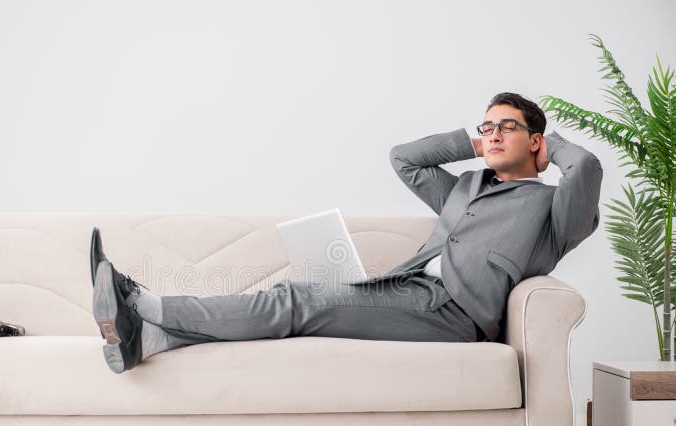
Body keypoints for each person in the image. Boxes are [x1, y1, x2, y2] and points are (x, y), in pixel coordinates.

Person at [91, 92, 603, 374]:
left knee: (294, 300)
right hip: (408, 291)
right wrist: (477, 144)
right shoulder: (464, 187)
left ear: (533, 139)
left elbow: (585, 169)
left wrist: (550, 144)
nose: (492, 133)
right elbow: (403, 159)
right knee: (289, 298)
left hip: (454, 312)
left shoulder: (554, 210)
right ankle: (151, 340)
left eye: (505, 127)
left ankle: (144, 305)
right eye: (486, 125)